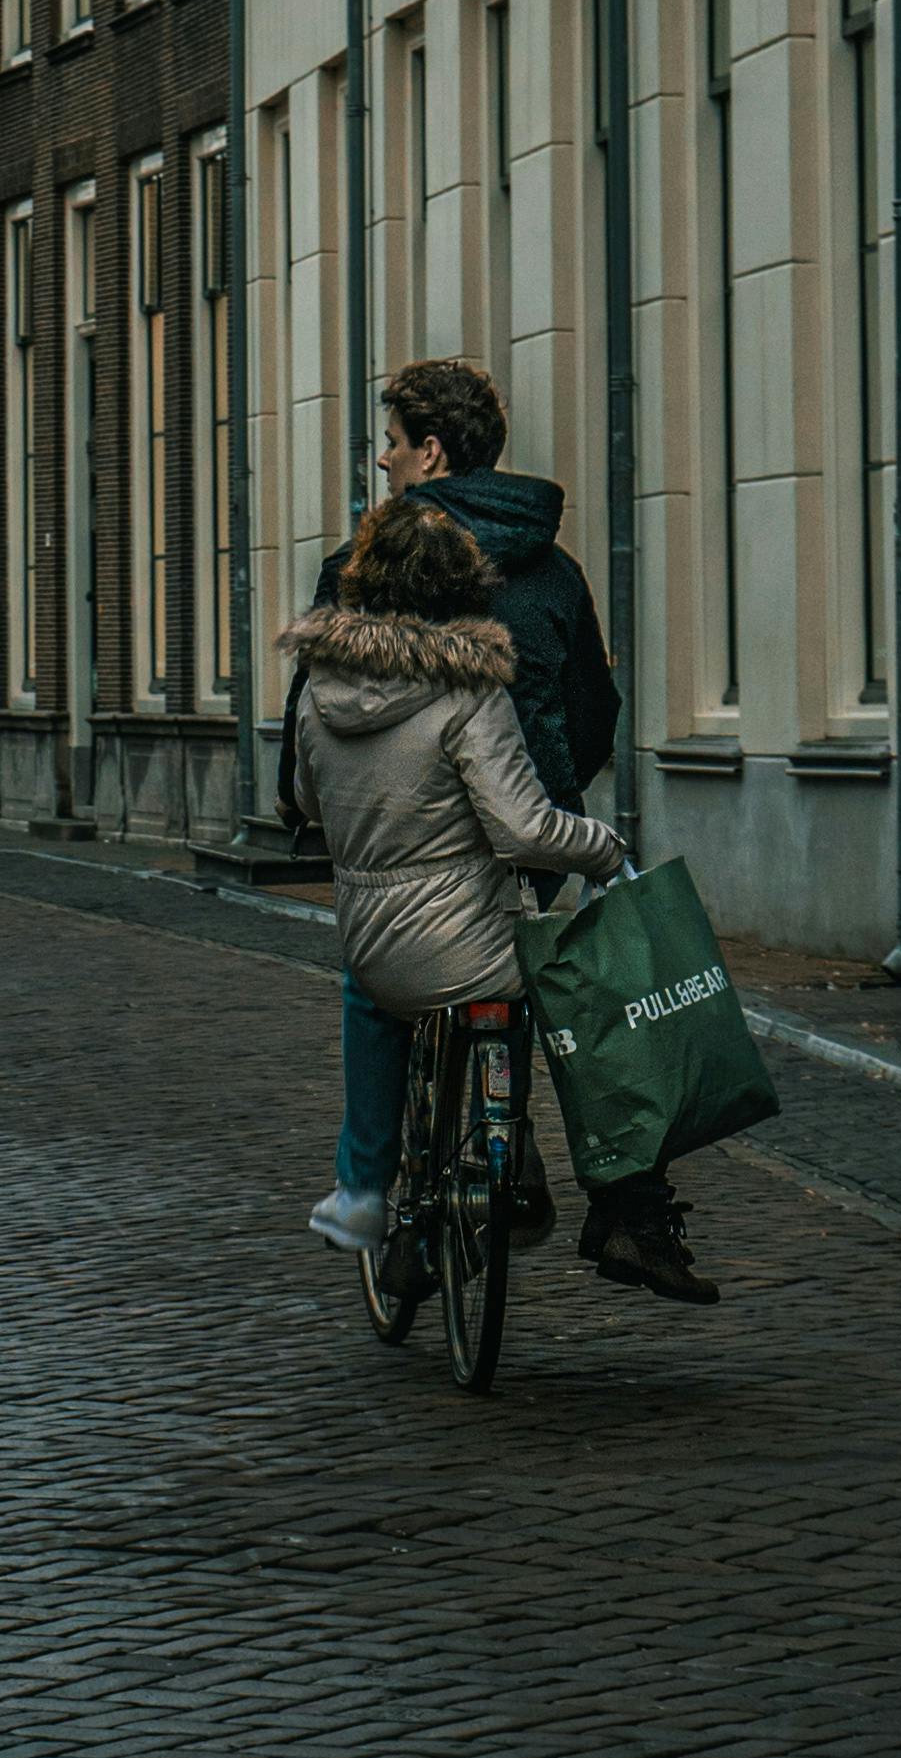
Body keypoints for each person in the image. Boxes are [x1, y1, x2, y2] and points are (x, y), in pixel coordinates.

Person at [283, 360, 714, 1302]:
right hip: (538, 839)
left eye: (391, 446)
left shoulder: (358, 569)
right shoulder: (554, 568)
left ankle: (411, 1204)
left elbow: (307, 737)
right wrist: (562, 796)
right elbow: (596, 708)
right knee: (589, 986)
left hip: (411, 859)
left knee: (389, 984)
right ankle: (630, 1206)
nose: (384, 464)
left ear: (430, 452)